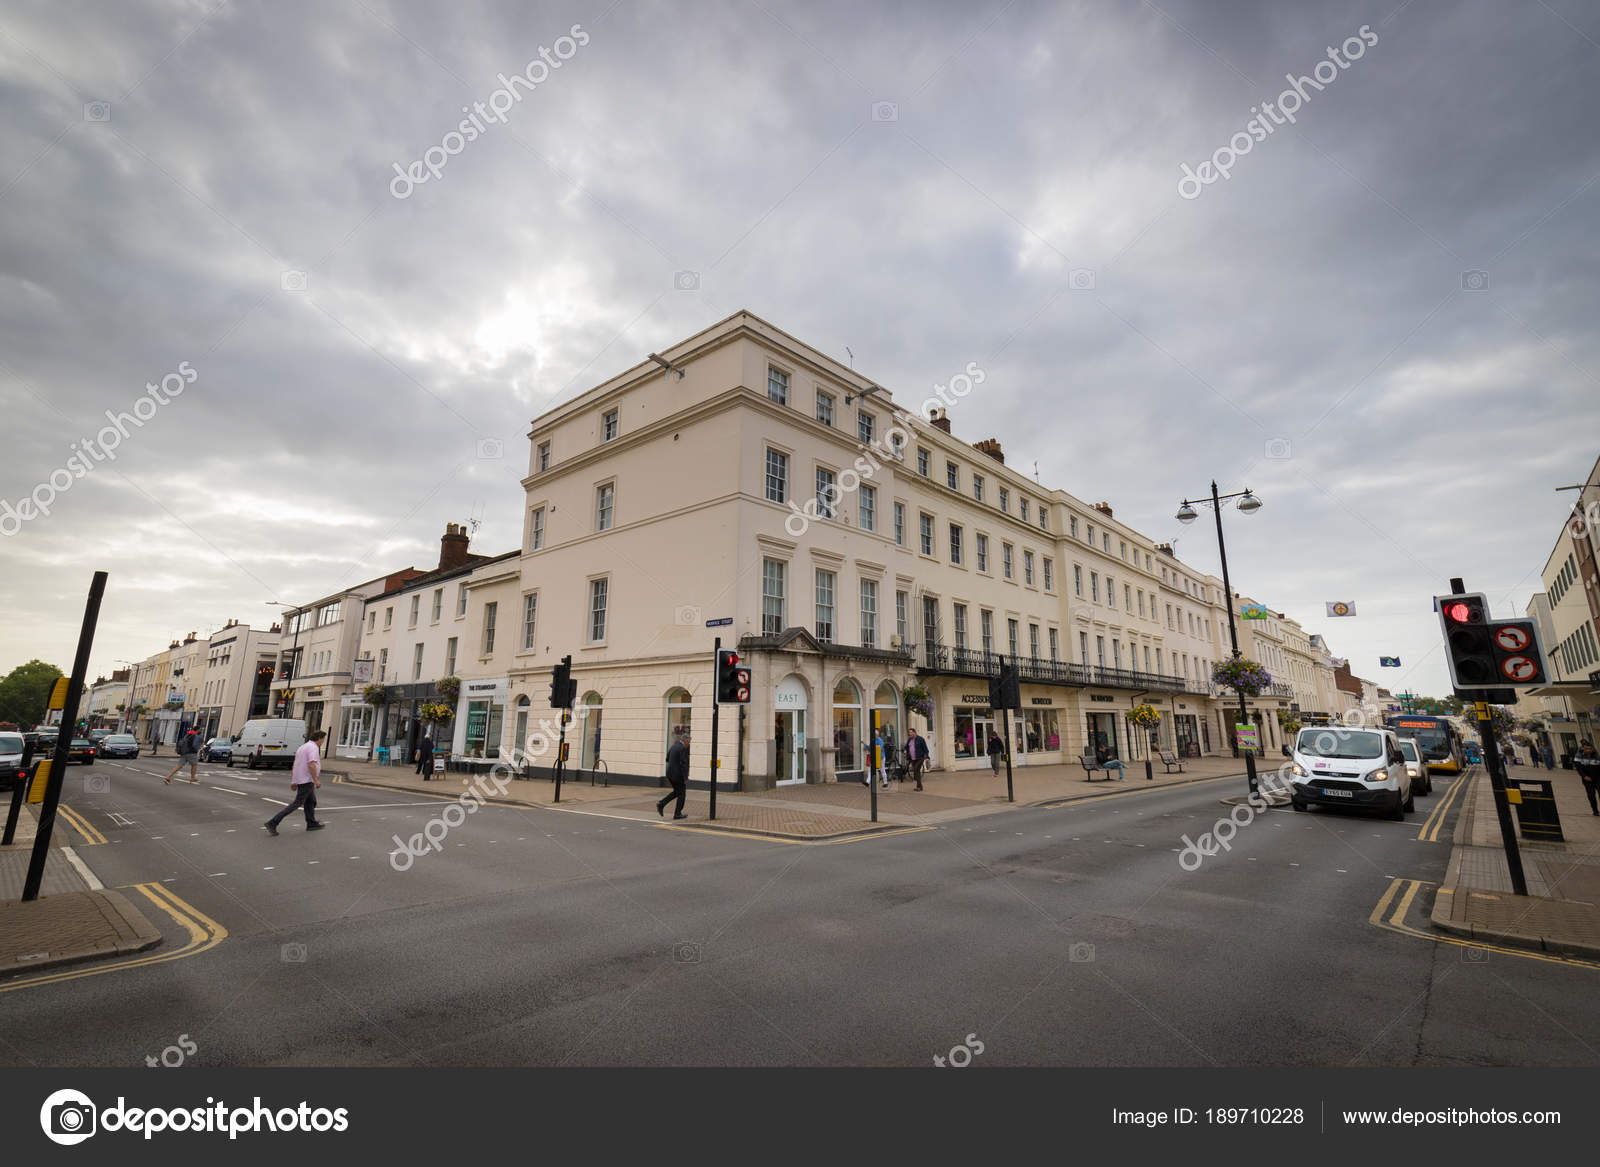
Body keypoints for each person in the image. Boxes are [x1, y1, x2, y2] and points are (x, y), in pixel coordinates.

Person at [264, 730, 326, 835]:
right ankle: (273, 822)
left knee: (311, 801)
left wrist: (294, 781)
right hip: (306, 780)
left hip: (303, 780)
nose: (323, 742)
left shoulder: (302, 747)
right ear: (319, 738)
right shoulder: (313, 748)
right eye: (323, 739)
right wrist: (316, 780)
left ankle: (311, 823)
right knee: (297, 803)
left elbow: (295, 765)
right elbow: (311, 765)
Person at [658, 731, 689, 819]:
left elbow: (667, 759)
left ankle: (661, 803)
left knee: (677, 792)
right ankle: (677, 814)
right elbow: (684, 764)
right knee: (682, 794)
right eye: (689, 742)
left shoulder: (674, 746)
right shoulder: (682, 748)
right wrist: (685, 777)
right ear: (685, 741)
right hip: (678, 776)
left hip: (670, 774)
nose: (689, 744)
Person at [1573, 741, 1600, 817]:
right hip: (1587, 779)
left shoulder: (1596, 756)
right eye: (1586, 749)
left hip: (1597, 777)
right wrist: (1584, 776)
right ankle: (1595, 811)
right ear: (1583, 749)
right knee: (1591, 795)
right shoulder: (1578, 756)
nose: (1588, 750)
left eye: (1590, 749)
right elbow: (1578, 768)